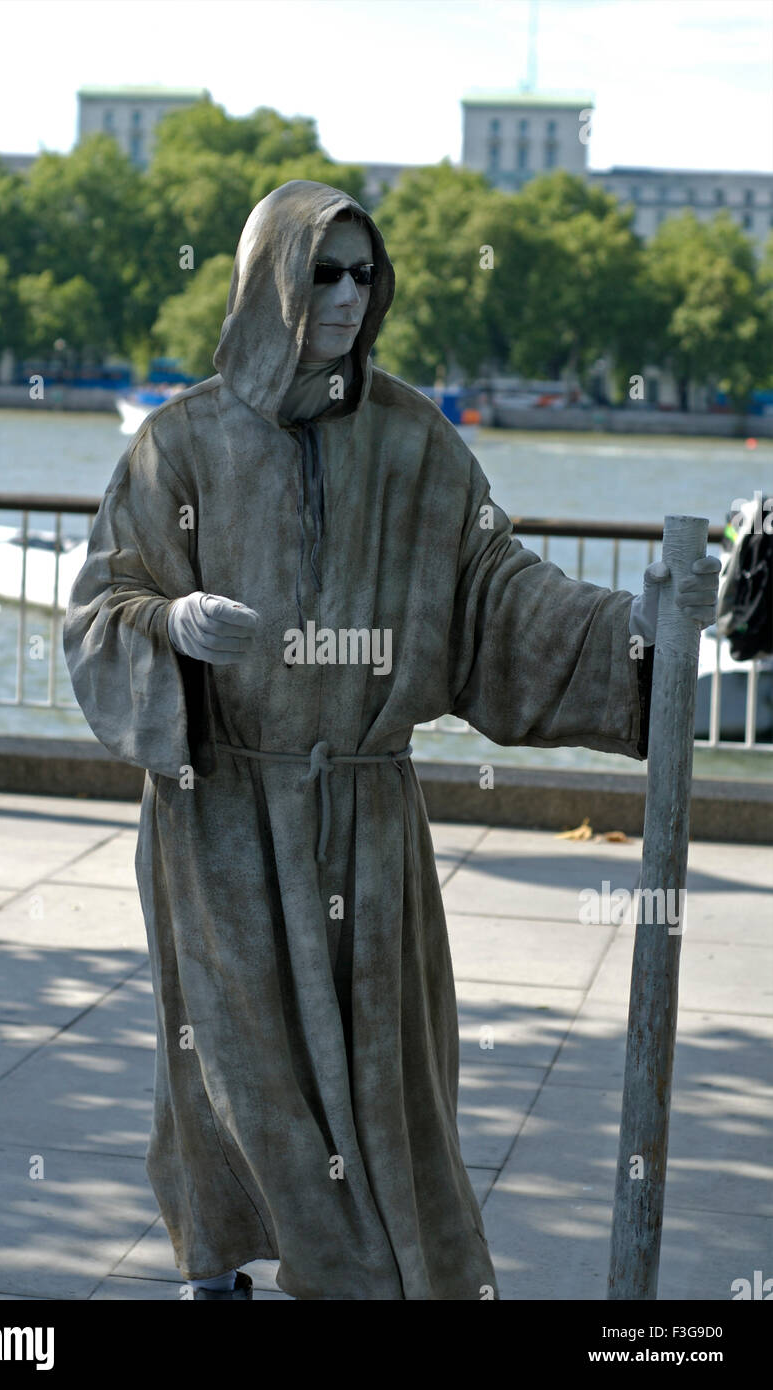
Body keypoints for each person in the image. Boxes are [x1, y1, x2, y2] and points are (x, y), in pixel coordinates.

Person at [62, 180, 720, 1301]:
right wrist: (169, 626)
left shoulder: (415, 442)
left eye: (365, 275)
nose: (349, 296)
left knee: (384, 1081)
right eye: (323, 272)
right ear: (269, 278)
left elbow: (497, 592)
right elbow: (99, 607)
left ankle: (371, 1278)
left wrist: (636, 631)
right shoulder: (180, 444)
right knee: (235, 1066)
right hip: (220, 816)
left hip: (365, 824)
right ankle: (217, 1267)